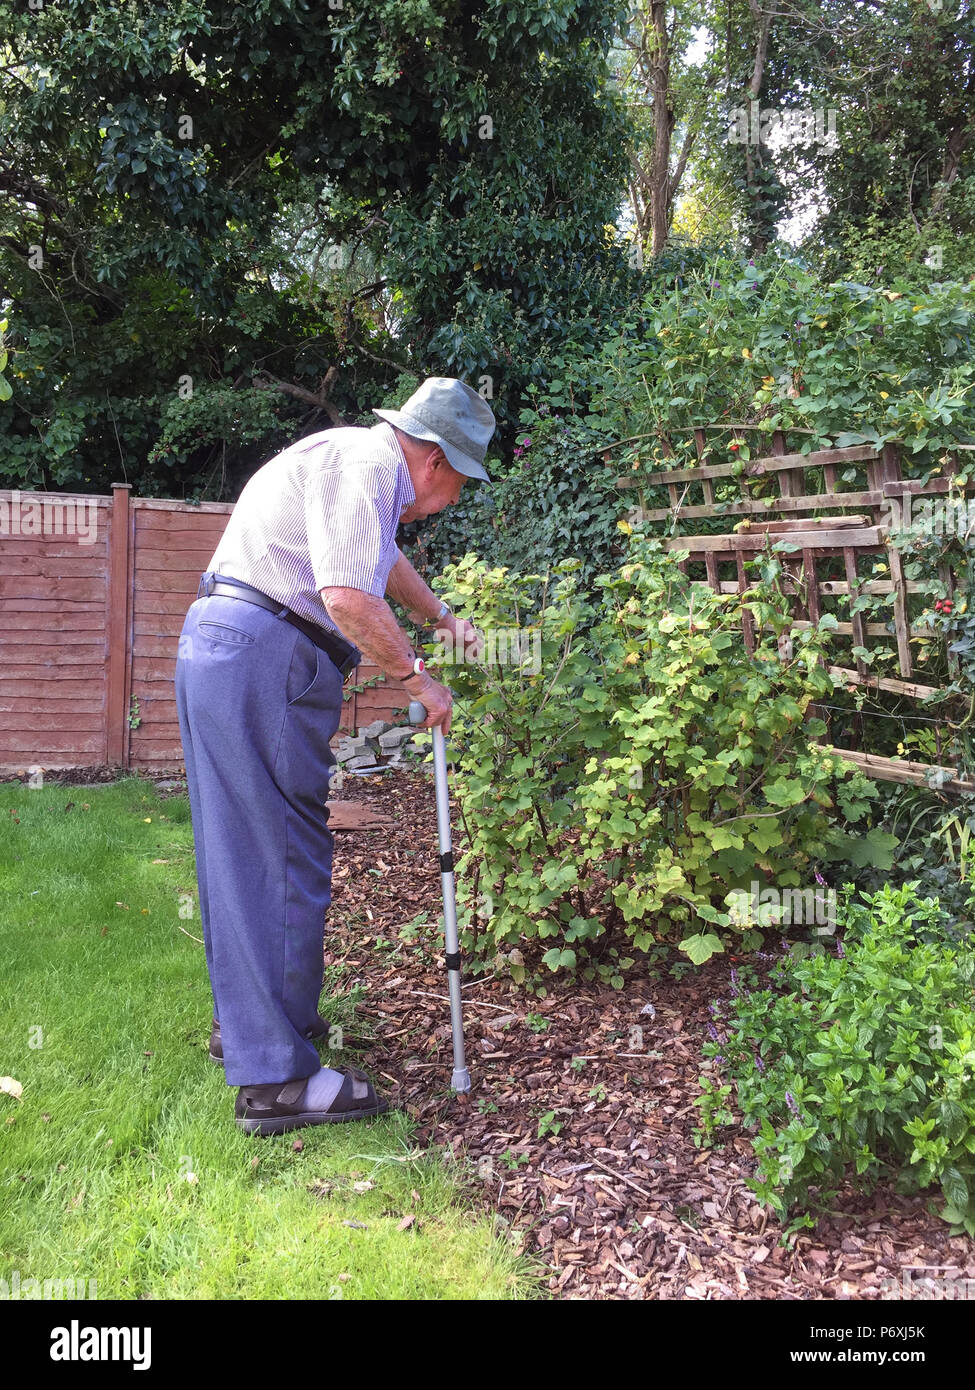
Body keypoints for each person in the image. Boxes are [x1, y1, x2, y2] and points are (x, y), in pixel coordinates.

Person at [174, 377, 495, 1135]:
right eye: (459, 483)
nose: (449, 501)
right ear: (434, 459)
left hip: (226, 646)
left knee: (243, 852)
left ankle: (253, 1030)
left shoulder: (355, 462)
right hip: (265, 657)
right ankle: (279, 1083)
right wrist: (417, 677)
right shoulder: (367, 467)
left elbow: (378, 564)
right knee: (283, 856)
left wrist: (441, 616)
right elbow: (349, 595)